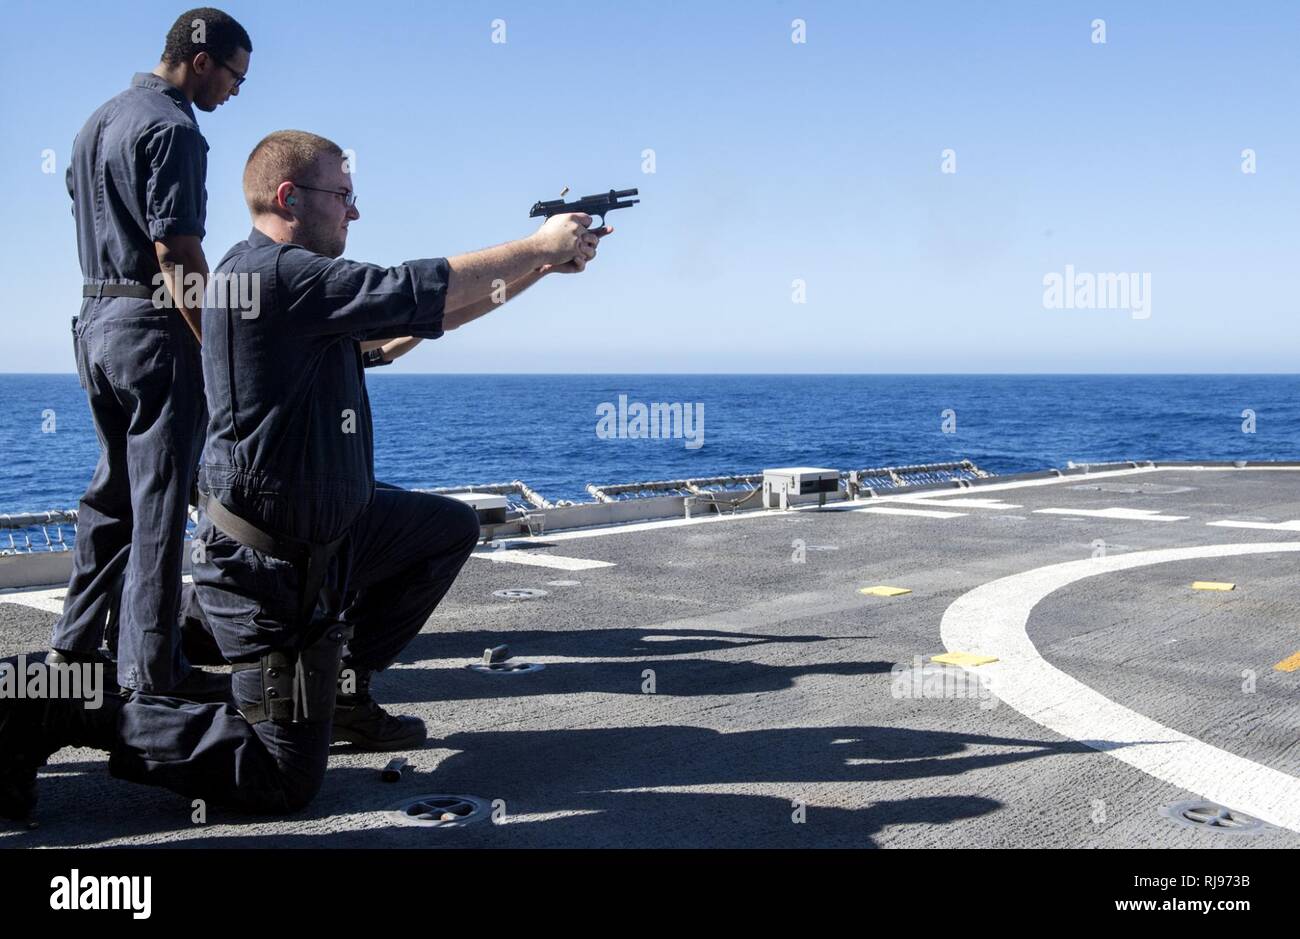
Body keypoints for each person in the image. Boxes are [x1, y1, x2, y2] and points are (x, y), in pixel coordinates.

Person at [0, 129, 609, 818]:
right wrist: (537, 244)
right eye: (344, 196)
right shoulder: (278, 276)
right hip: (273, 578)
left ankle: (341, 688)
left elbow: (409, 322)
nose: (354, 212)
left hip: (323, 540)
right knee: (280, 776)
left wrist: (534, 270)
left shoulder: (274, 279)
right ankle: (70, 703)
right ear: (290, 197)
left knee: (442, 527)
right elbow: (411, 289)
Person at [51, 7, 252, 697]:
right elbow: (176, 250)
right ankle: (153, 676)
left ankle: (73, 657)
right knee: (161, 505)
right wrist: (217, 347)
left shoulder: (94, 123)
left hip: (94, 325)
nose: (232, 93)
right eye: (233, 77)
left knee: (111, 500)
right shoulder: (173, 129)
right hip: (153, 330)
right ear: (202, 61)